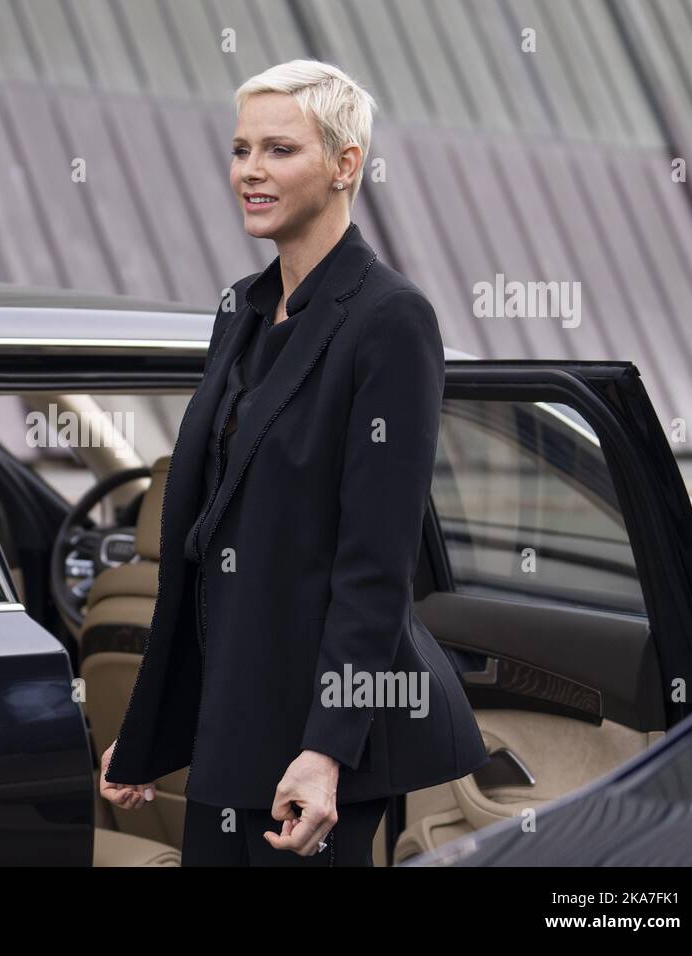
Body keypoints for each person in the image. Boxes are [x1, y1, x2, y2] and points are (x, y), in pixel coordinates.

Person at [99, 59, 488, 866]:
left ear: (346, 165)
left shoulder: (391, 319)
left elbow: (375, 565)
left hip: (323, 734)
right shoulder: (239, 307)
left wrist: (326, 752)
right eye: (241, 150)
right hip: (232, 720)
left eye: (279, 150)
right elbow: (203, 544)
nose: (250, 172)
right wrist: (148, 735)